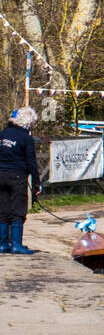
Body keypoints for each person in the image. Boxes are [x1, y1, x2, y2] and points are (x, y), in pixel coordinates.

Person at [0, 106, 41, 255]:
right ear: (28, 122)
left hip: (1, 175)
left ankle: (3, 244)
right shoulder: (26, 138)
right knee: (18, 209)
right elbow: (31, 161)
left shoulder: (3, 134)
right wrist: (36, 182)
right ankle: (16, 244)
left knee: (3, 209)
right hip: (17, 177)